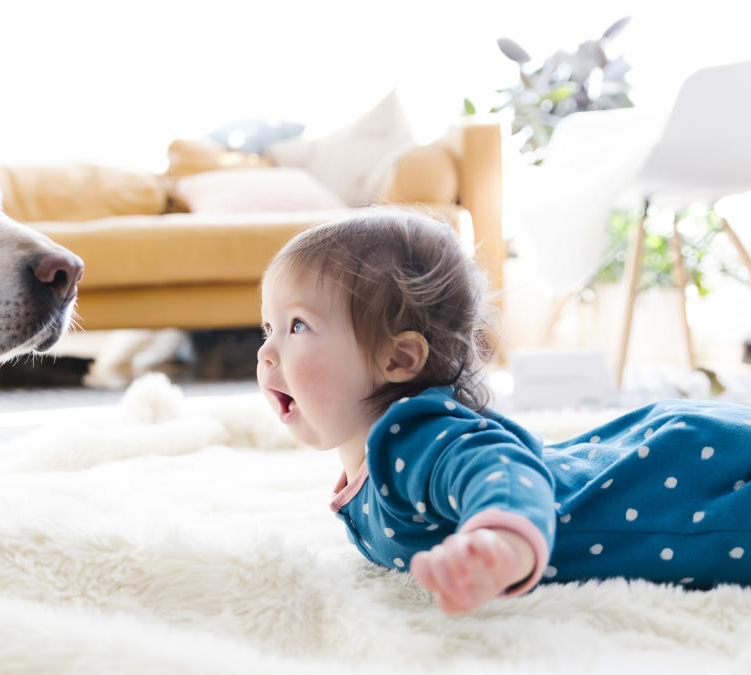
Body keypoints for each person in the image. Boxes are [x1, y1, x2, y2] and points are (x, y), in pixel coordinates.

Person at [256, 208, 751, 615]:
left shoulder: (418, 438)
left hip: (697, 480)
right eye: (267, 328)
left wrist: (499, 539)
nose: (266, 353)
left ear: (398, 359)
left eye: (297, 326)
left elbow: (506, 474)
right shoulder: (377, 461)